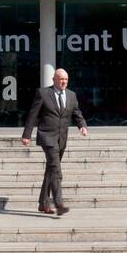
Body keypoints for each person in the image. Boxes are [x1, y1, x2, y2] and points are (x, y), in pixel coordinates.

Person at [21, 68, 88, 215]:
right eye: (60, 79)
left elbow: (76, 113)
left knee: (50, 170)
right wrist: (27, 134)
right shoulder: (43, 93)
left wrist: (82, 125)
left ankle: (43, 203)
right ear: (54, 80)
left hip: (61, 138)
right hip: (47, 137)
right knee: (56, 170)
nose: (63, 82)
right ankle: (59, 204)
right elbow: (33, 114)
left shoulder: (71, 95)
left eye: (65, 79)